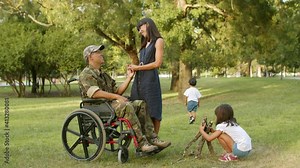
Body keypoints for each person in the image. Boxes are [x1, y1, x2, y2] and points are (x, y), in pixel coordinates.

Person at [78, 44, 171, 153]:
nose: (101, 54)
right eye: (98, 52)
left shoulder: (104, 75)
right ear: (90, 57)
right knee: (126, 106)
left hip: (109, 105)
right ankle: (141, 144)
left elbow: (117, 91)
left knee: (140, 104)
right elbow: (95, 93)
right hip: (97, 107)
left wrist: (129, 77)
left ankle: (152, 138)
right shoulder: (86, 74)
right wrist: (117, 97)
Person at [129, 17, 163, 134]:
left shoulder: (158, 41)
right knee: (138, 107)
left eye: (140, 27)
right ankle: (143, 138)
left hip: (150, 80)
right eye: (138, 29)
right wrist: (134, 68)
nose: (139, 31)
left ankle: (155, 138)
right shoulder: (144, 44)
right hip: (140, 80)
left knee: (153, 109)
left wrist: (138, 67)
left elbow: (157, 63)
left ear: (148, 25)